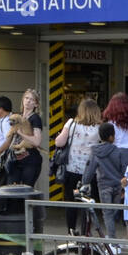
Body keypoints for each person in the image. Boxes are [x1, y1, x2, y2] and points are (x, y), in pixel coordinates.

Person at [53, 97, 102, 233]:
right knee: (87, 202)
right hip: (90, 172)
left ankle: (71, 230)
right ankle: (85, 231)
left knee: (71, 201)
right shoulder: (100, 128)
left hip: (71, 169)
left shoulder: (71, 124)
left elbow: (59, 143)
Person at [82, 123, 128, 244]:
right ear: (112, 137)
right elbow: (124, 169)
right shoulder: (118, 151)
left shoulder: (95, 152)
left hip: (104, 186)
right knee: (114, 212)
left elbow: (90, 169)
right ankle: (112, 238)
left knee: (107, 213)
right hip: (118, 186)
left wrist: (85, 182)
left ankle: (112, 239)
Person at [5, 89, 44, 186]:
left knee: (25, 193)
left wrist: (20, 133)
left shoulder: (35, 118)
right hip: (16, 159)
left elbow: (37, 141)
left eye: (32, 99)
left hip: (30, 160)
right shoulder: (18, 116)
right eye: (26, 98)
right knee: (12, 191)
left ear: (36, 104)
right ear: (23, 100)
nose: (28, 101)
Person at [0, 96, 13, 186]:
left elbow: (9, 140)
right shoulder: (4, 120)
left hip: (5, 156)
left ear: (1, 109)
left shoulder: (7, 122)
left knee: (3, 182)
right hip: (4, 156)